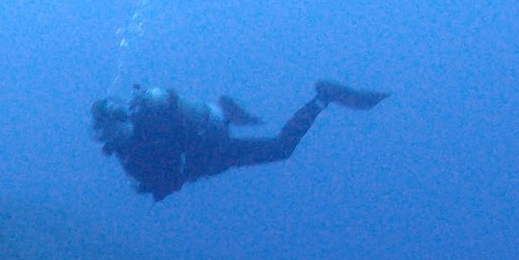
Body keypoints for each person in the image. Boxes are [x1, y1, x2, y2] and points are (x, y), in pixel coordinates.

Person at [91, 79, 389, 201]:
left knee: (281, 149)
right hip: (210, 137)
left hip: (216, 150)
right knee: (234, 127)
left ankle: (323, 97)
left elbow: (170, 180)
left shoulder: (136, 148)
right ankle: (223, 111)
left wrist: (148, 188)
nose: (109, 140)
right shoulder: (140, 130)